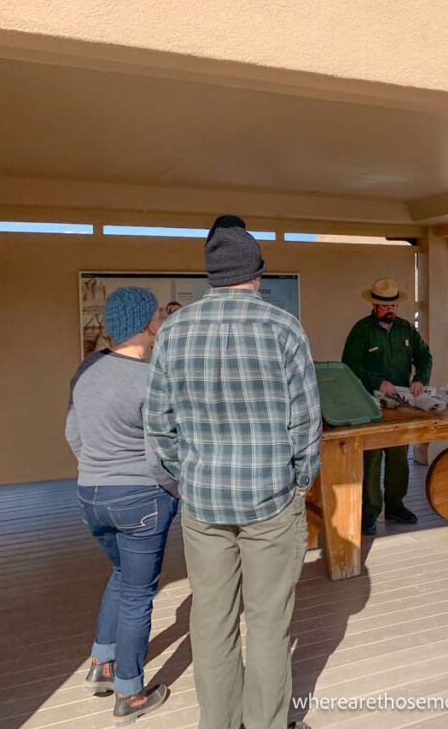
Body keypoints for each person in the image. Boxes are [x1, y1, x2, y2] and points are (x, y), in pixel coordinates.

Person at [145, 215, 321, 729]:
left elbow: (158, 424)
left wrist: (187, 476)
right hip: (270, 498)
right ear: (257, 273)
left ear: (211, 275)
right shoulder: (284, 327)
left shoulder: (174, 330)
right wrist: (300, 480)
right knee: (268, 623)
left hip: (203, 502)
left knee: (211, 620)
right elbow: (306, 423)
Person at [66, 286, 178, 725]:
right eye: (157, 318)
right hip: (140, 498)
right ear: (148, 325)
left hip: (90, 494)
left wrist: (97, 471)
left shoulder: (86, 371)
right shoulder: (149, 379)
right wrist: (174, 489)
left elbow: (73, 434)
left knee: (120, 575)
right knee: (137, 595)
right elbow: (159, 454)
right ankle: (129, 693)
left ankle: (102, 661)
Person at [342, 278, 433, 536]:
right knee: (371, 459)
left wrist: (420, 379)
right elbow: (349, 365)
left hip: (401, 404)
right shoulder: (361, 330)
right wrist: (377, 381)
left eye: (393, 304)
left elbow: (425, 356)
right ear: (373, 304)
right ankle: (369, 513)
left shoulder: (406, 328)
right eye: (384, 306)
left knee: (398, 458)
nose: (390, 309)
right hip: (369, 405)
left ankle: (395, 506)